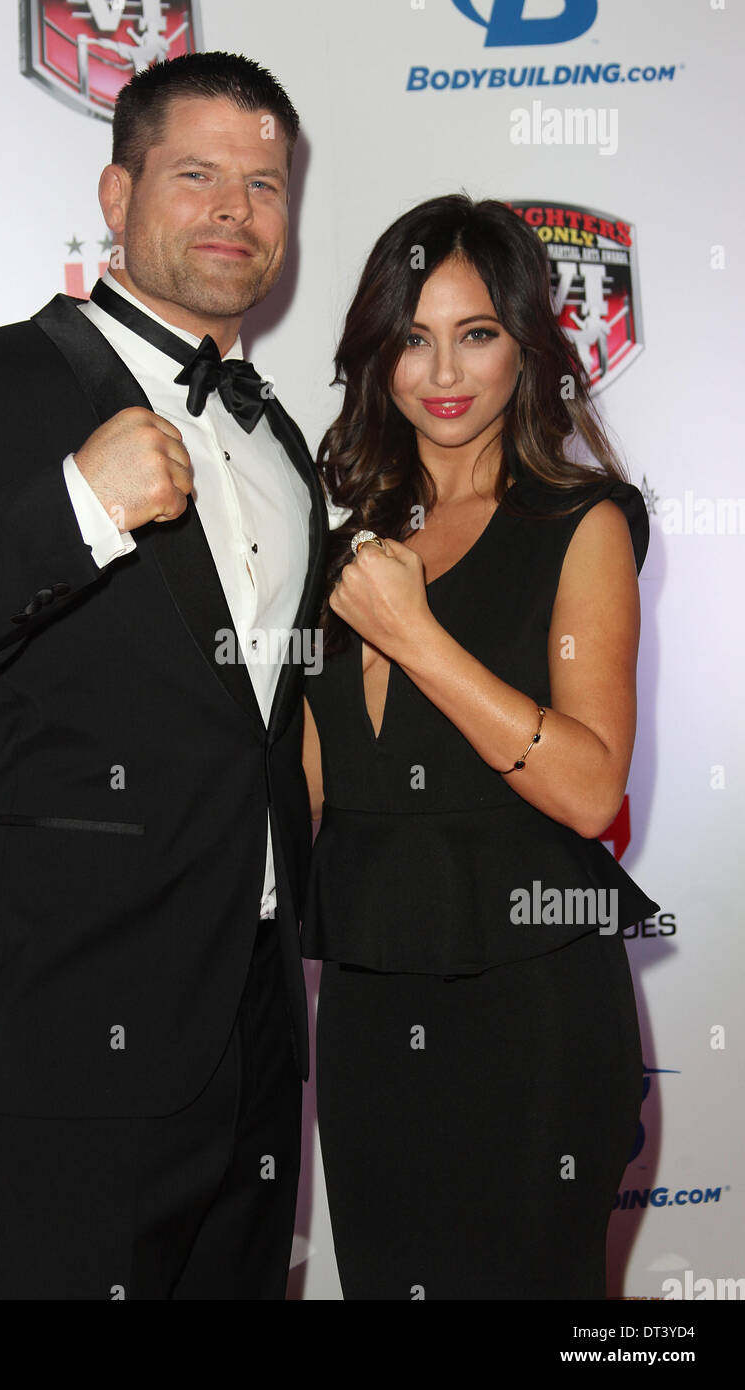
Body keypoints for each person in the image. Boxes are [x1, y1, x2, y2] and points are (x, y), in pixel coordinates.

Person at [0, 52, 332, 1300]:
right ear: (116, 195)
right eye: (196, 173)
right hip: (68, 1034)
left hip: (261, 1028)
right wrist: (74, 506)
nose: (234, 210)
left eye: (265, 185)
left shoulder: (282, 440)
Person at [300, 194, 659, 1300]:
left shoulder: (580, 521)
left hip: (530, 1011)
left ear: (526, 346)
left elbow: (592, 784)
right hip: (368, 1008)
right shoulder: (341, 536)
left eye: (476, 333)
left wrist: (417, 636)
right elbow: (317, 786)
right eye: (413, 336)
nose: (441, 370)